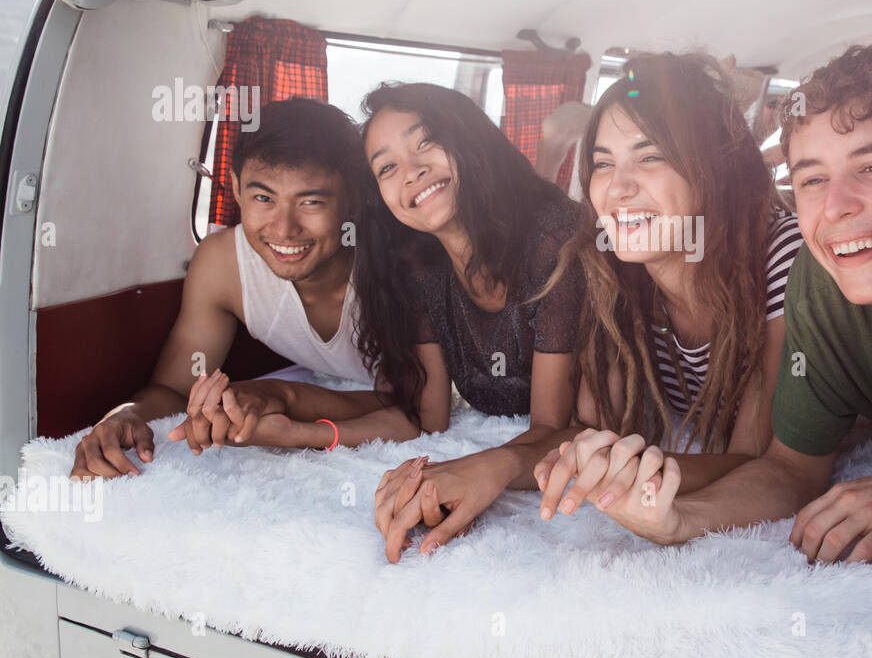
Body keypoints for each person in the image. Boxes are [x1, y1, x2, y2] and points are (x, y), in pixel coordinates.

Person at [542, 44, 872, 564]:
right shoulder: (822, 285)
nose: (836, 207)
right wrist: (673, 521)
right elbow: (790, 471)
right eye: (812, 180)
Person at [375, 52, 803, 545]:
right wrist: (487, 469)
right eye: (602, 164)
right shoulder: (609, 267)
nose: (618, 188)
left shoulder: (781, 256)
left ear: (713, 166)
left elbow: (757, 461)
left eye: (650, 156)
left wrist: (632, 476)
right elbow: (583, 428)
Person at [228, 83, 585, 561]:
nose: (412, 172)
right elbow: (425, 417)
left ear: (467, 139)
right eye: (387, 167)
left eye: (426, 142)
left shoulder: (553, 244)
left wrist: (476, 470)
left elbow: (551, 425)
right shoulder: (418, 262)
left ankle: (554, 146)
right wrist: (300, 432)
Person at [71, 98, 378, 479]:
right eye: (263, 198)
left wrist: (282, 397)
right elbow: (174, 387)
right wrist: (125, 415)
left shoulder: (392, 266)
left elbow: (415, 408)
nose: (284, 229)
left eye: (311, 201)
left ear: (354, 198)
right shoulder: (221, 264)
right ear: (234, 187)